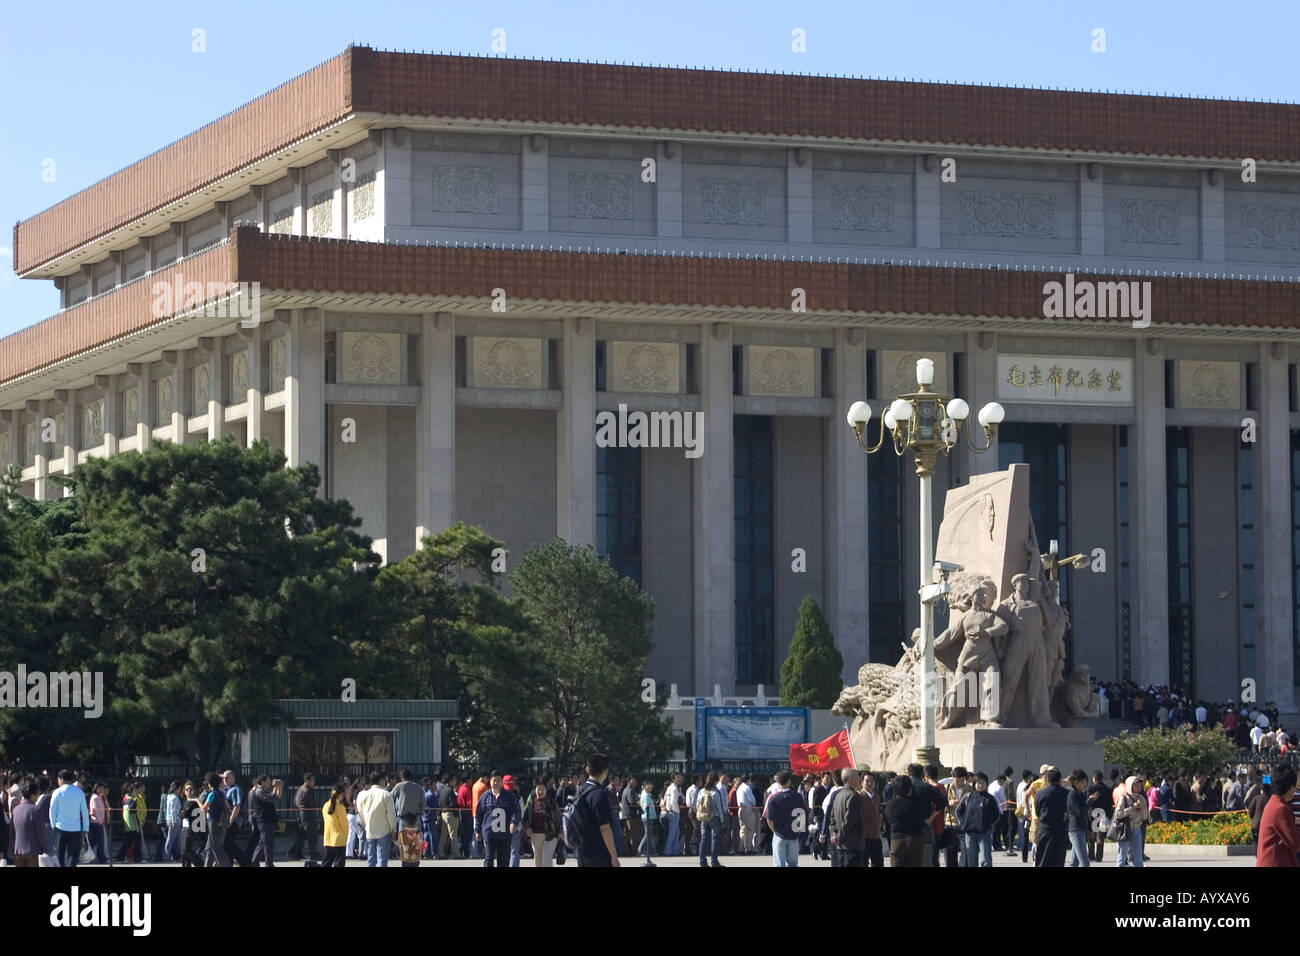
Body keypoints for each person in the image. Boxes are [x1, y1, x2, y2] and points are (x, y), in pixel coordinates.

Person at [572, 753, 620, 868]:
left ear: (587, 769)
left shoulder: (580, 791)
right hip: (599, 852)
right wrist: (614, 855)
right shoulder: (599, 794)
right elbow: (604, 828)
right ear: (605, 771)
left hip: (582, 850)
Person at [762, 771, 807, 867]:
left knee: (779, 864)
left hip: (779, 834)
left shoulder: (773, 798)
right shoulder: (798, 796)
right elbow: (802, 816)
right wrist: (798, 830)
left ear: (778, 782)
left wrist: (775, 831)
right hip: (794, 834)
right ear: (789, 782)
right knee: (793, 864)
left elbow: (769, 819)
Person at [476, 771, 521, 868]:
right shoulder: (485, 797)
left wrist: (514, 822)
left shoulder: (509, 797)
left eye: (498, 780)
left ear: (502, 782)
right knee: (489, 859)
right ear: (490, 782)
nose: (496, 783)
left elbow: (516, 811)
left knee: (503, 861)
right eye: (494, 780)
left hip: (504, 834)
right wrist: (478, 830)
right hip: (489, 833)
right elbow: (479, 814)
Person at [955, 772, 1001, 867]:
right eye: (978, 783)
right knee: (971, 860)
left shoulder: (990, 799)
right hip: (969, 834)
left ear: (986, 784)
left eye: (983, 783)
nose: (980, 785)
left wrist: (988, 824)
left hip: (984, 833)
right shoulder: (968, 797)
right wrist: (963, 823)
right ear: (974, 784)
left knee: (986, 859)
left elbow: (996, 815)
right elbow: (958, 811)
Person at [1256, 767, 1298, 867]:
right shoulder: (1280, 808)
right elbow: (1294, 842)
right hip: (1275, 862)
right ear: (1290, 787)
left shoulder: (1274, 803)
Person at [355, 771, 398, 867]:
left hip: (369, 831)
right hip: (384, 831)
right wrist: (394, 829)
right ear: (381, 780)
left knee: (371, 859)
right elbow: (391, 814)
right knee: (382, 860)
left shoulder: (363, 794)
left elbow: (360, 812)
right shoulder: (386, 794)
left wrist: (365, 824)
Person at [827, 769, 866, 867]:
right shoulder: (853, 796)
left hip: (841, 845)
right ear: (851, 779)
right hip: (852, 844)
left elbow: (832, 819)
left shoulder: (838, 794)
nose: (859, 780)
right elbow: (849, 821)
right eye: (858, 777)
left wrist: (834, 834)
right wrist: (839, 837)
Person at [884, 776, 926, 867]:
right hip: (915, 838)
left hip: (897, 840)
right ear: (910, 788)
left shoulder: (889, 805)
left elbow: (888, 822)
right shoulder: (917, 803)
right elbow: (922, 819)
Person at [1033, 768, 1069, 867]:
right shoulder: (1066, 793)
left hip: (1045, 829)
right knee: (1058, 859)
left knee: (1042, 859)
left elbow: (1037, 811)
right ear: (1059, 779)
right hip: (1060, 828)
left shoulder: (1040, 793)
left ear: (1047, 779)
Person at [246, 775, 283, 866]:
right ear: (262, 782)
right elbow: (270, 798)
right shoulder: (259, 791)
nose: (270, 783)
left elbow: (276, 797)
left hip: (268, 820)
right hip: (264, 820)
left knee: (263, 842)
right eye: (268, 781)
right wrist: (275, 787)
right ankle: (268, 864)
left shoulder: (265, 791)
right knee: (268, 843)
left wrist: (279, 786)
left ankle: (254, 862)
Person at [1114, 776, 1149, 868]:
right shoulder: (1124, 798)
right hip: (1125, 829)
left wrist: (1141, 808)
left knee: (1138, 857)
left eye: (1140, 784)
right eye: (1135, 784)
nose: (1138, 786)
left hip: (1136, 828)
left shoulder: (1141, 798)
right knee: (1122, 857)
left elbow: (1145, 816)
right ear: (1130, 785)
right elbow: (1118, 814)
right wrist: (1132, 808)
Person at [524, 781, 560, 868]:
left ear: (546, 790)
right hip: (536, 834)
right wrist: (527, 827)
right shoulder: (530, 802)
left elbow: (558, 817)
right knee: (538, 858)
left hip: (551, 834)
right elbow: (525, 817)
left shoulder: (552, 802)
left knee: (546, 857)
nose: (540, 791)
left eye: (542, 789)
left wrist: (560, 831)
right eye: (538, 789)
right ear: (535, 790)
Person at [11, 782, 48, 867]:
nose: (38, 796)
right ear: (32, 795)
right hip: (33, 851)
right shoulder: (36, 810)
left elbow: (12, 833)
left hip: (17, 851)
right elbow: (41, 832)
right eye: (37, 793)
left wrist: (13, 849)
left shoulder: (15, 810)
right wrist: (46, 849)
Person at [288, 773, 321, 865]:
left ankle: (294, 852)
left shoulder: (301, 789)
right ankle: (312, 853)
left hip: (303, 813)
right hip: (308, 814)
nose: (314, 782)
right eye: (312, 780)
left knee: (304, 834)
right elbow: (311, 804)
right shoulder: (307, 790)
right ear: (307, 781)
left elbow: (296, 801)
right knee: (312, 834)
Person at [201, 773, 232, 867]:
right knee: (209, 847)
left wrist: (198, 802)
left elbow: (204, 808)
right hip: (221, 822)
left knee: (216, 848)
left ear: (210, 784)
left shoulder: (211, 794)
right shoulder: (222, 794)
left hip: (212, 822)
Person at [697, 771, 725, 868]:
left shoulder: (701, 791)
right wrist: (722, 820)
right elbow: (719, 808)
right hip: (715, 818)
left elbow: (698, 805)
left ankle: (702, 861)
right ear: (716, 781)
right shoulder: (716, 792)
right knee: (714, 840)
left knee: (703, 839)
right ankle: (714, 862)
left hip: (704, 818)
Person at [1065, 770, 1091, 868]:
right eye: (1083, 782)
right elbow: (1080, 812)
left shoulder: (1079, 794)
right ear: (1076, 782)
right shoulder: (1072, 795)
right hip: (1076, 829)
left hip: (1079, 829)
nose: (1085, 785)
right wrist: (1089, 801)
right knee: (1085, 862)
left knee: (1074, 862)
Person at [1085, 771, 1113, 862]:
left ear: (1094, 778)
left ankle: (1091, 855)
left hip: (1091, 816)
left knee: (1091, 837)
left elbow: (1086, 803)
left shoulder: (1090, 788)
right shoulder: (1108, 790)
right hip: (1103, 816)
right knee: (1100, 837)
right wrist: (1109, 817)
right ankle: (1099, 857)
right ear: (1102, 778)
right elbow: (1109, 806)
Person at [321, 781, 349, 867]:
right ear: (341, 794)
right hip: (339, 839)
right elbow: (344, 825)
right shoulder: (340, 807)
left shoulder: (326, 805)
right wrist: (346, 836)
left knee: (326, 863)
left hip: (328, 839)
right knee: (339, 864)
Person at [180, 781, 206, 868]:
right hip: (184, 826)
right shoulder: (185, 801)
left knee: (186, 850)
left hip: (192, 827)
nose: (189, 791)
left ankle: (200, 864)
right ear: (184, 791)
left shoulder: (195, 802)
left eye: (191, 789)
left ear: (194, 791)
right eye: (187, 789)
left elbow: (184, 814)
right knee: (183, 851)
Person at [860, 773, 884, 867]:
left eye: (872, 781)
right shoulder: (859, 796)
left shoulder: (877, 796)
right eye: (867, 781)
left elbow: (880, 811)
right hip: (864, 837)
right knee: (863, 862)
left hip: (876, 835)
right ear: (862, 782)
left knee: (878, 862)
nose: (870, 783)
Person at [88, 782, 111, 865]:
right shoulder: (94, 798)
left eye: (102, 789)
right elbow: (94, 810)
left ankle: (89, 857)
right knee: (100, 841)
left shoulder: (99, 798)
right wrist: (100, 820)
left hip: (98, 822)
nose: (101, 790)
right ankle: (102, 858)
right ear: (96, 788)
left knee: (93, 841)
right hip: (96, 822)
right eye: (100, 788)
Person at [661, 773, 682, 857]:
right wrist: (676, 810)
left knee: (676, 832)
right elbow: (673, 801)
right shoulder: (674, 789)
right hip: (674, 812)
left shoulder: (669, 787)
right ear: (673, 779)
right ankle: (668, 851)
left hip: (669, 812)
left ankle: (675, 850)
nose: (679, 779)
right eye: (677, 777)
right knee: (673, 833)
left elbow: (665, 798)